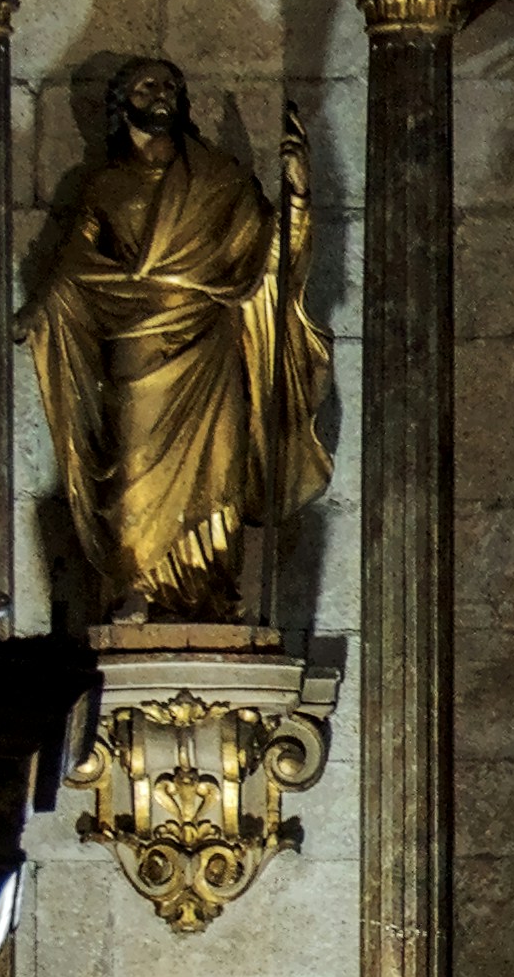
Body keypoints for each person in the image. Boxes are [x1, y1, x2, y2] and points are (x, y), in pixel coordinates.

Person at [20, 58, 330, 624]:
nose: (160, 94)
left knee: (219, 474)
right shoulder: (105, 185)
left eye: (170, 86)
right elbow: (75, 270)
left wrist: (299, 196)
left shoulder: (223, 178)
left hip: (212, 346)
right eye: (146, 85)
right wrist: (41, 311)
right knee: (133, 479)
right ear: (123, 102)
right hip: (136, 347)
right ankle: (135, 584)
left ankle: (212, 593)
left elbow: (273, 261)